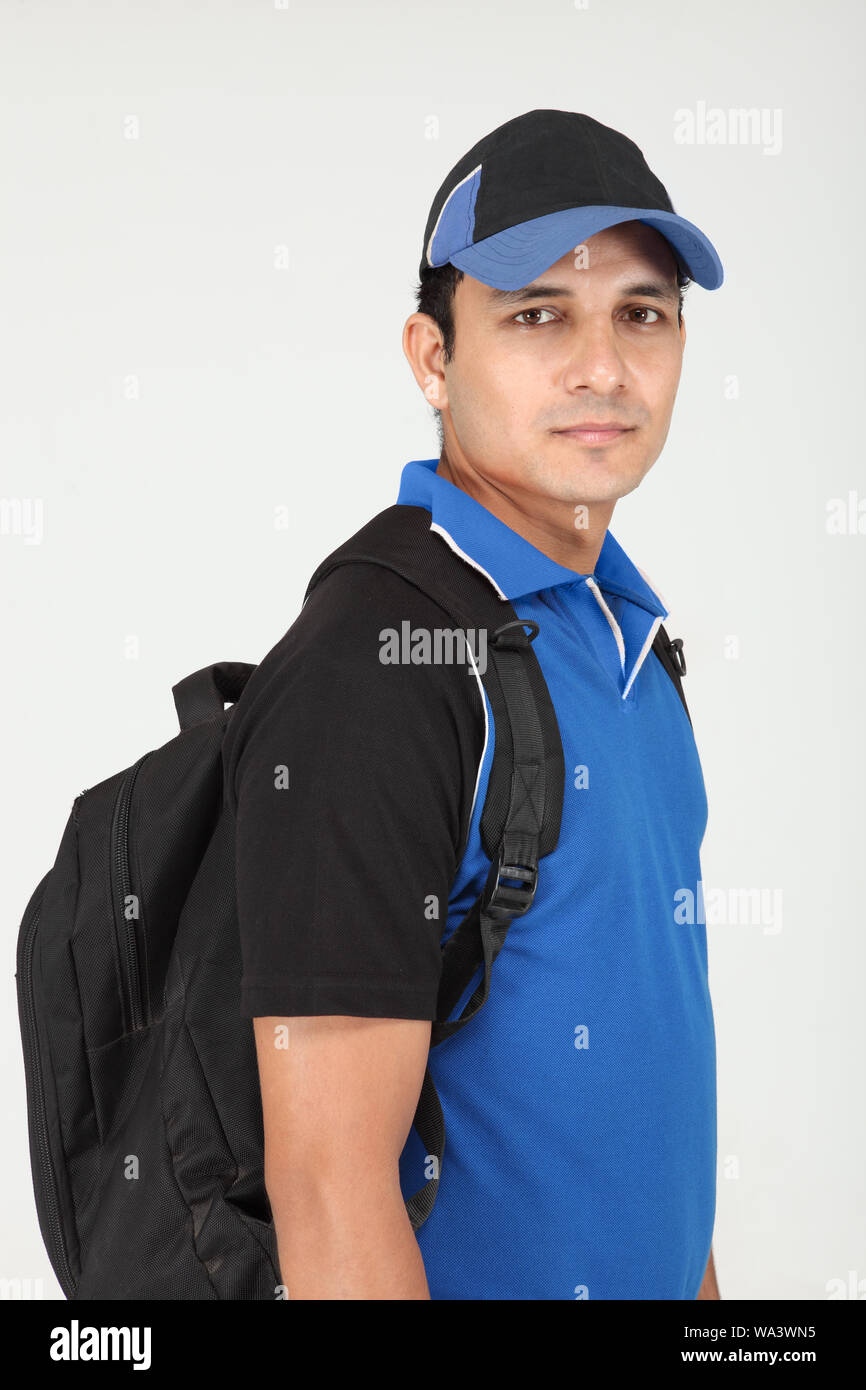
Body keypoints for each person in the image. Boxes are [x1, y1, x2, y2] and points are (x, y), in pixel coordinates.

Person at [224, 109, 724, 1300]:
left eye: (640, 313)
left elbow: (650, 1129)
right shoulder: (377, 668)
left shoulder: (632, 646)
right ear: (431, 358)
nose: (602, 365)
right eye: (536, 314)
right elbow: (328, 1186)